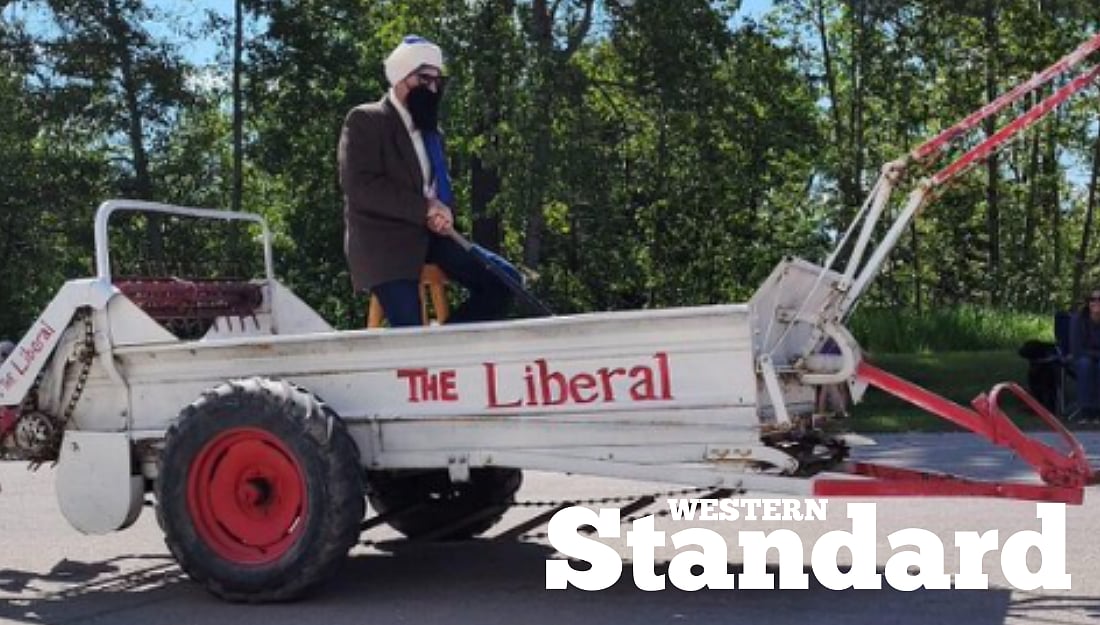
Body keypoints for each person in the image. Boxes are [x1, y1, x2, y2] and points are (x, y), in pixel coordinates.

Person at [338, 35, 510, 327]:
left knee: (504, 281)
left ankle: (447, 347)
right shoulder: (366, 119)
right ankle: (430, 351)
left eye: (437, 81)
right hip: (385, 242)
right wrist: (425, 207)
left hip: (432, 238)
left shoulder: (432, 133)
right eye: (424, 79)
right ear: (400, 77)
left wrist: (443, 212)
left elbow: (438, 188)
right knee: (411, 329)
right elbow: (361, 187)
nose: (432, 88)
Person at [1069, 288, 1100, 421]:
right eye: (1093, 299)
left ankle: (1098, 410)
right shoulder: (1078, 319)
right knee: (1085, 364)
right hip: (1081, 358)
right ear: (1088, 302)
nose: (1096, 302)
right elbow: (1077, 349)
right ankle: (1086, 410)